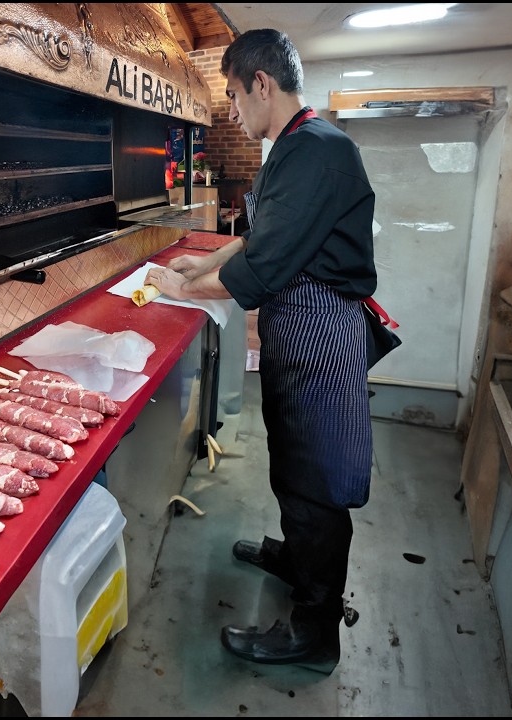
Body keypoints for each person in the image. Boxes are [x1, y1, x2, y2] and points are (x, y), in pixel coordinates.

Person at [142, 28, 376, 674]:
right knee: (293, 460)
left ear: (262, 86)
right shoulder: (292, 149)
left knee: (319, 477)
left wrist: (186, 289)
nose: (235, 113)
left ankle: (314, 630)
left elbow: (261, 268)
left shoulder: (316, 153)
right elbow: (250, 242)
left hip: (321, 336)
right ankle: (296, 561)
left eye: (236, 98)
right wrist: (188, 272)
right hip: (296, 332)